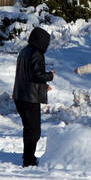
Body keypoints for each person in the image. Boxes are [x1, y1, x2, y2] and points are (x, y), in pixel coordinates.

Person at [12, 27, 55, 167]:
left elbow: (27, 76)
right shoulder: (36, 53)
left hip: (21, 95)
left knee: (29, 129)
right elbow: (36, 74)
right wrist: (50, 76)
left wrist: (43, 87)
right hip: (29, 99)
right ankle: (29, 160)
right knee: (34, 131)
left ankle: (28, 157)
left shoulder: (25, 51)